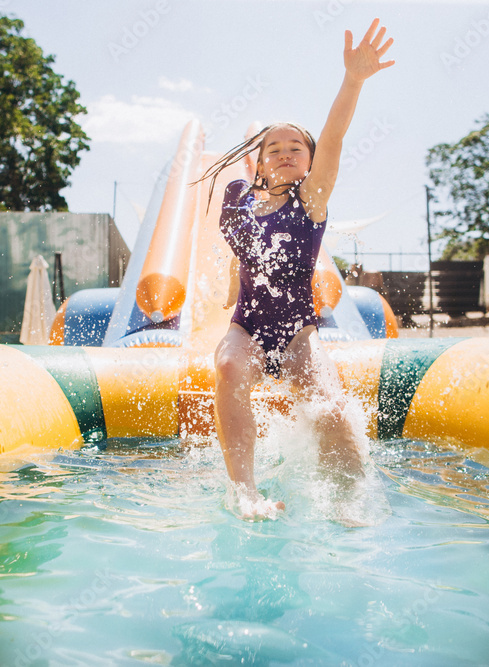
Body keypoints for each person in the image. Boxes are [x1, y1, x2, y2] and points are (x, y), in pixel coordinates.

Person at [197, 19, 395, 518]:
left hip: (299, 333)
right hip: (248, 325)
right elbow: (242, 251)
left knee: (329, 407)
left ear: (309, 164)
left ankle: (349, 500)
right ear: (258, 165)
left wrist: (352, 81)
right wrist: (229, 281)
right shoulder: (237, 199)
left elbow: (333, 138)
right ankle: (244, 492)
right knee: (226, 366)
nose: (286, 154)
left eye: (296, 148)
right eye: (274, 150)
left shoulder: (311, 202)